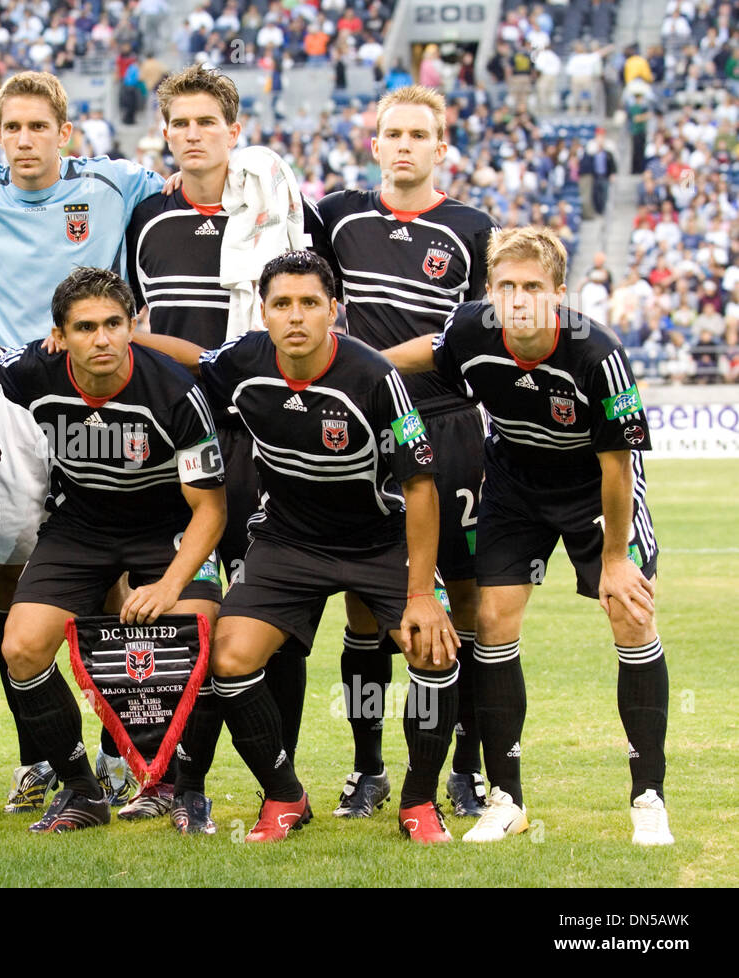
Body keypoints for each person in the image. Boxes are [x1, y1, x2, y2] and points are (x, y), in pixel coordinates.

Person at [0, 71, 166, 812]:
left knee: (109, 570)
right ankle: (40, 757)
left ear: (65, 133)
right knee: (16, 574)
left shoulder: (115, 184)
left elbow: (192, 175)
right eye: (10, 128)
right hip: (14, 398)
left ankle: (118, 751)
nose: (23, 141)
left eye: (37, 127)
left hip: (96, 392)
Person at [135, 251, 459, 842]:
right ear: (263, 312)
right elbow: (195, 359)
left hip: (378, 540)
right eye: (282, 304)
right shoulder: (245, 360)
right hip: (288, 540)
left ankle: (419, 802)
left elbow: (419, 486)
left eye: (310, 303)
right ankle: (285, 796)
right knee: (228, 660)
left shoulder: (376, 378)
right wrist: (132, 340)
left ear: (334, 311)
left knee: (433, 650)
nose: (296, 316)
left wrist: (421, 593)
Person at [383, 226, 673, 845]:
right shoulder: (471, 330)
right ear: (489, 291)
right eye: (506, 286)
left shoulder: (599, 355)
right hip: (515, 484)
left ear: (559, 295)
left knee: (630, 612)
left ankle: (649, 794)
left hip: (594, 488)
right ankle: (506, 798)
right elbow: (426, 352)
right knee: (491, 619)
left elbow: (618, 467)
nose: (517, 300)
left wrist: (617, 560)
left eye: (532, 288)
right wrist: (359, 367)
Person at [0, 267, 227, 832]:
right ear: (58, 335)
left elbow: (210, 508)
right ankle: (82, 788)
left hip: (168, 525)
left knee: (195, 634)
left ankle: (186, 790)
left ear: (133, 327)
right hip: (82, 524)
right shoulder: (38, 370)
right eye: (85, 327)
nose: (102, 338)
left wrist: (168, 585)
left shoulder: (176, 392)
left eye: (114, 324)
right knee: (22, 647)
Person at [304, 85, 497, 820]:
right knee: (365, 601)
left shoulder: (472, 228)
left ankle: (468, 768)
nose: (407, 144)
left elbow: (478, 334)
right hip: (367, 432)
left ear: (441, 147)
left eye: (422, 134)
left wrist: (381, 362)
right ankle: (367, 768)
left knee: (468, 599)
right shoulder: (337, 215)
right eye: (395, 133)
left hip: (450, 427)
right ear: (375, 144)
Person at [124, 64, 311, 822]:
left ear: (235, 131)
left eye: (208, 122)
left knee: (275, 618)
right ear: (165, 134)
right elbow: (128, 325)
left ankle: (280, 779)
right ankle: (180, 783)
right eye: (181, 123)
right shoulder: (148, 220)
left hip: (263, 438)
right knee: (189, 621)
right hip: (177, 444)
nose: (193, 135)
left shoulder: (288, 209)